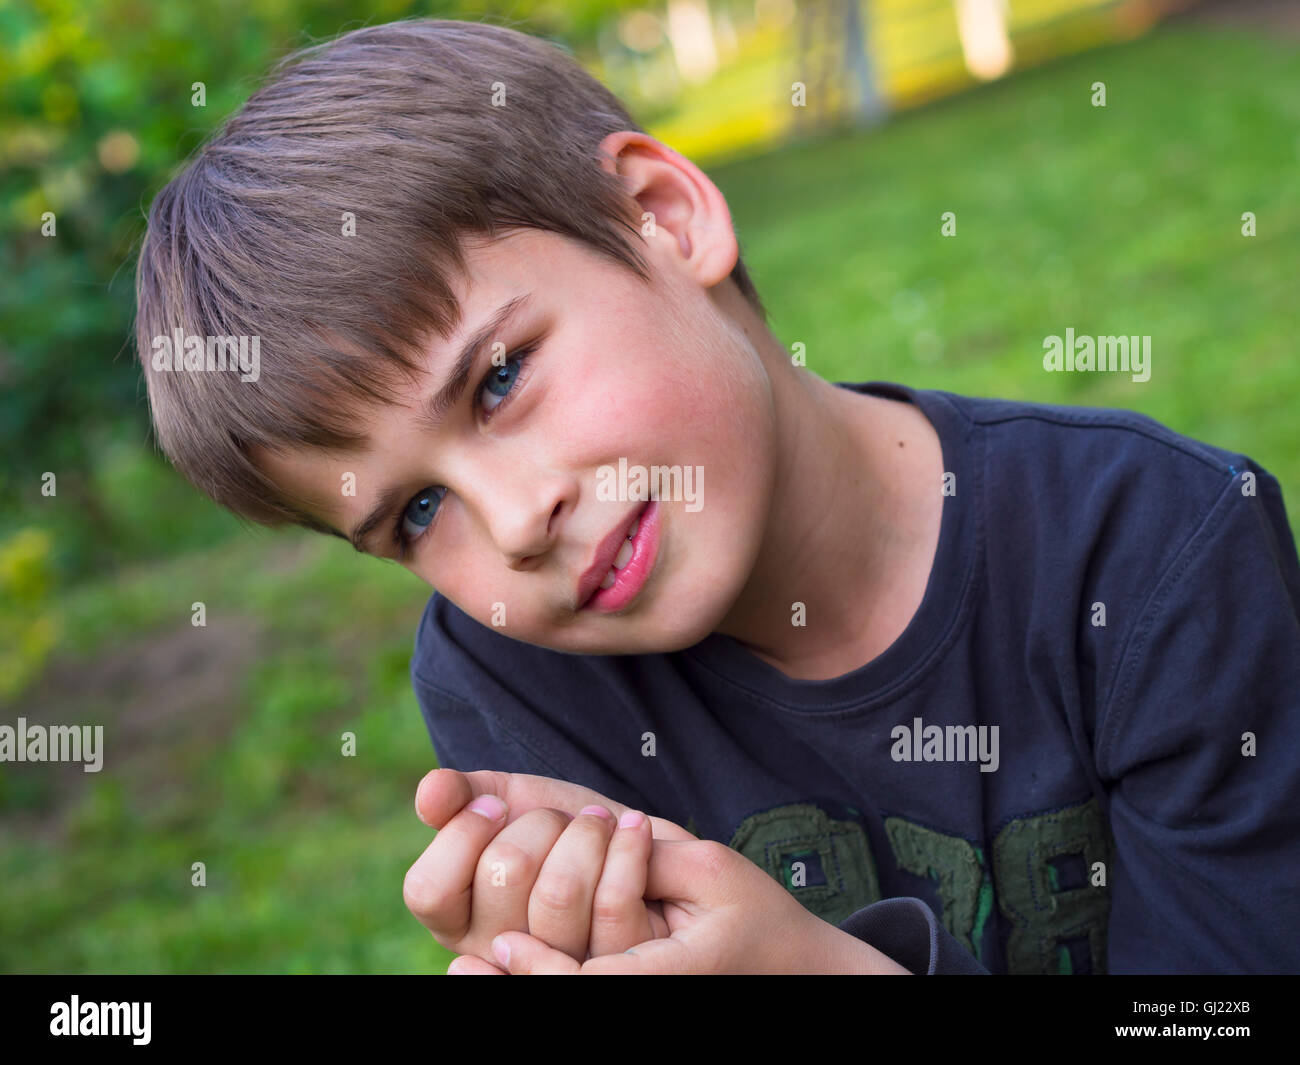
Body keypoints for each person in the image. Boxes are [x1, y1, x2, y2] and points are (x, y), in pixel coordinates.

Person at [134, 19, 1300, 974]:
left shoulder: (1152, 547)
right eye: (416, 516)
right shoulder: (510, 683)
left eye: (498, 380)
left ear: (664, 217)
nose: (514, 520)